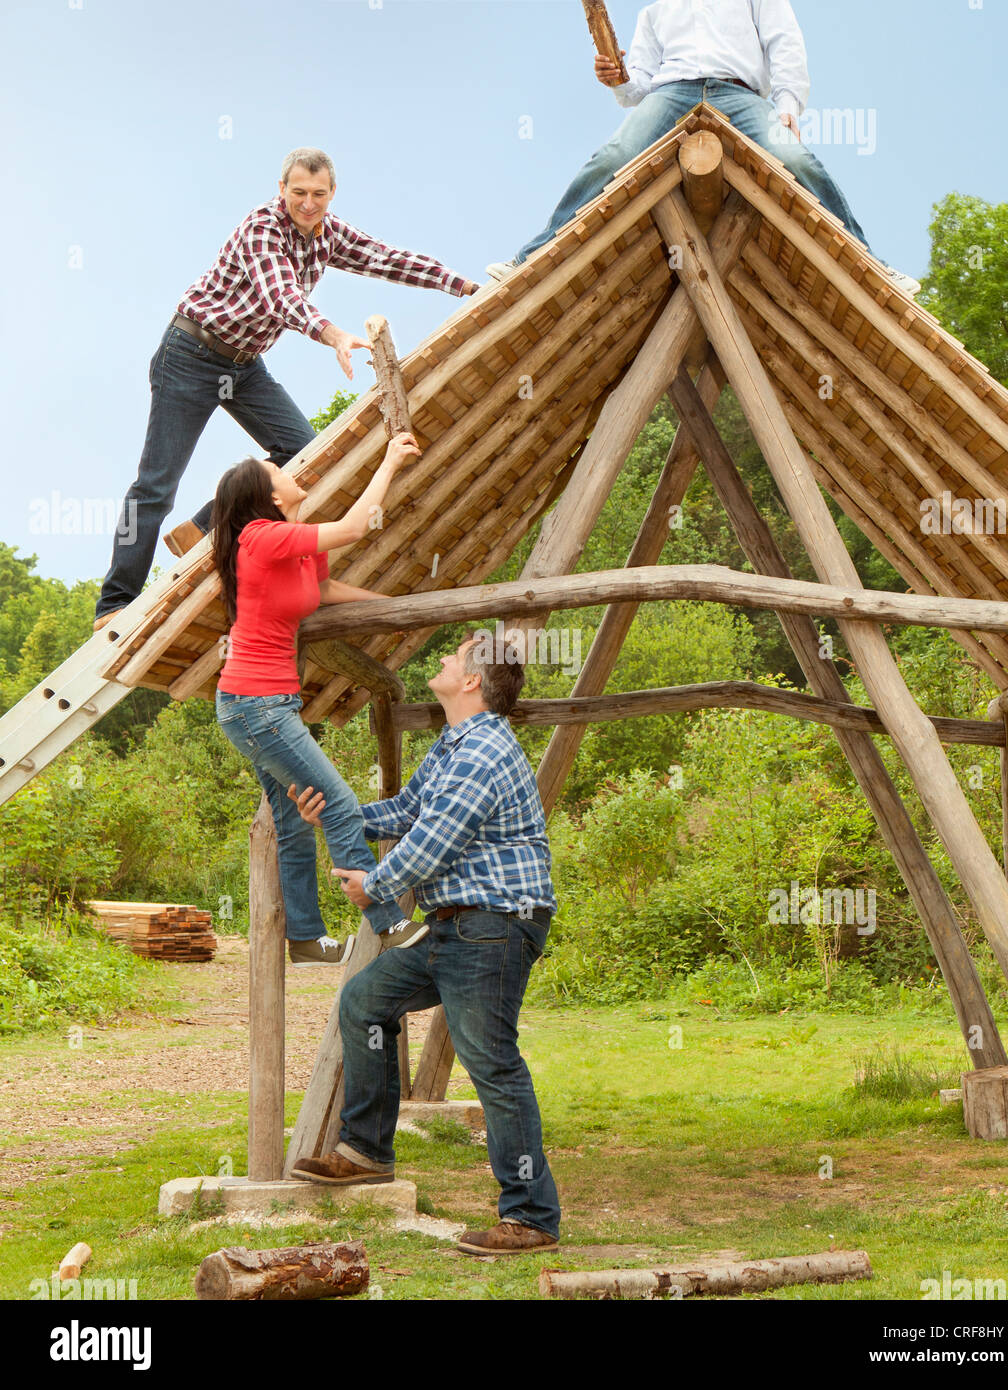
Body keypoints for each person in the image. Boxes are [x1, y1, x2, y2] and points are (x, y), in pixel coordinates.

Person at [93, 147, 479, 633]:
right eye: (298, 193)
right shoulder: (262, 228)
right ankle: (114, 602)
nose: (308, 204)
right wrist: (333, 334)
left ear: (332, 194)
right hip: (190, 354)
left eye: (319, 195)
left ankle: (204, 526)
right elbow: (282, 297)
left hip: (243, 364)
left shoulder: (329, 233)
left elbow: (388, 259)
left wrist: (462, 286)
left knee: (302, 448)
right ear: (282, 190)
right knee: (156, 484)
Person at [288, 630, 561, 1256]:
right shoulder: (453, 743)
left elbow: (434, 841)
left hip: (493, 924)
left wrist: (375, 883)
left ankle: (531, 1217)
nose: (441, 657)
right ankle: (367, 1151)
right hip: (454, 925)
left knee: (491, 1063)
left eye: (453, 655)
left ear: (472, 681)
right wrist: (332, 812)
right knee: (365, 1002)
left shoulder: (484, 750)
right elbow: (406, 811)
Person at [486, 0, 921, 297]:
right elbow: (636, 85)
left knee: (794, 160)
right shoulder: (656, 10)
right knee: (614, 158)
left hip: (740, 93)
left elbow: (784, 43)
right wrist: (616, 76)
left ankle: (873, 267)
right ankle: (530, 259)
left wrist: (788, 104)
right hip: (671, 93)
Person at [212, 429, 430, 965]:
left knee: (293, 821)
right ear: (268, 496)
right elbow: (356, 527)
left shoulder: (296, 543)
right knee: (338, 805)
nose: (290, 471)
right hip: (254, 704)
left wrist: (396, 610)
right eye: (277, 470)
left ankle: (306, 939)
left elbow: (326, 593)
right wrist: (389, 461)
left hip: (266, 707)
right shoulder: (260, 537)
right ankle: (388, 920)